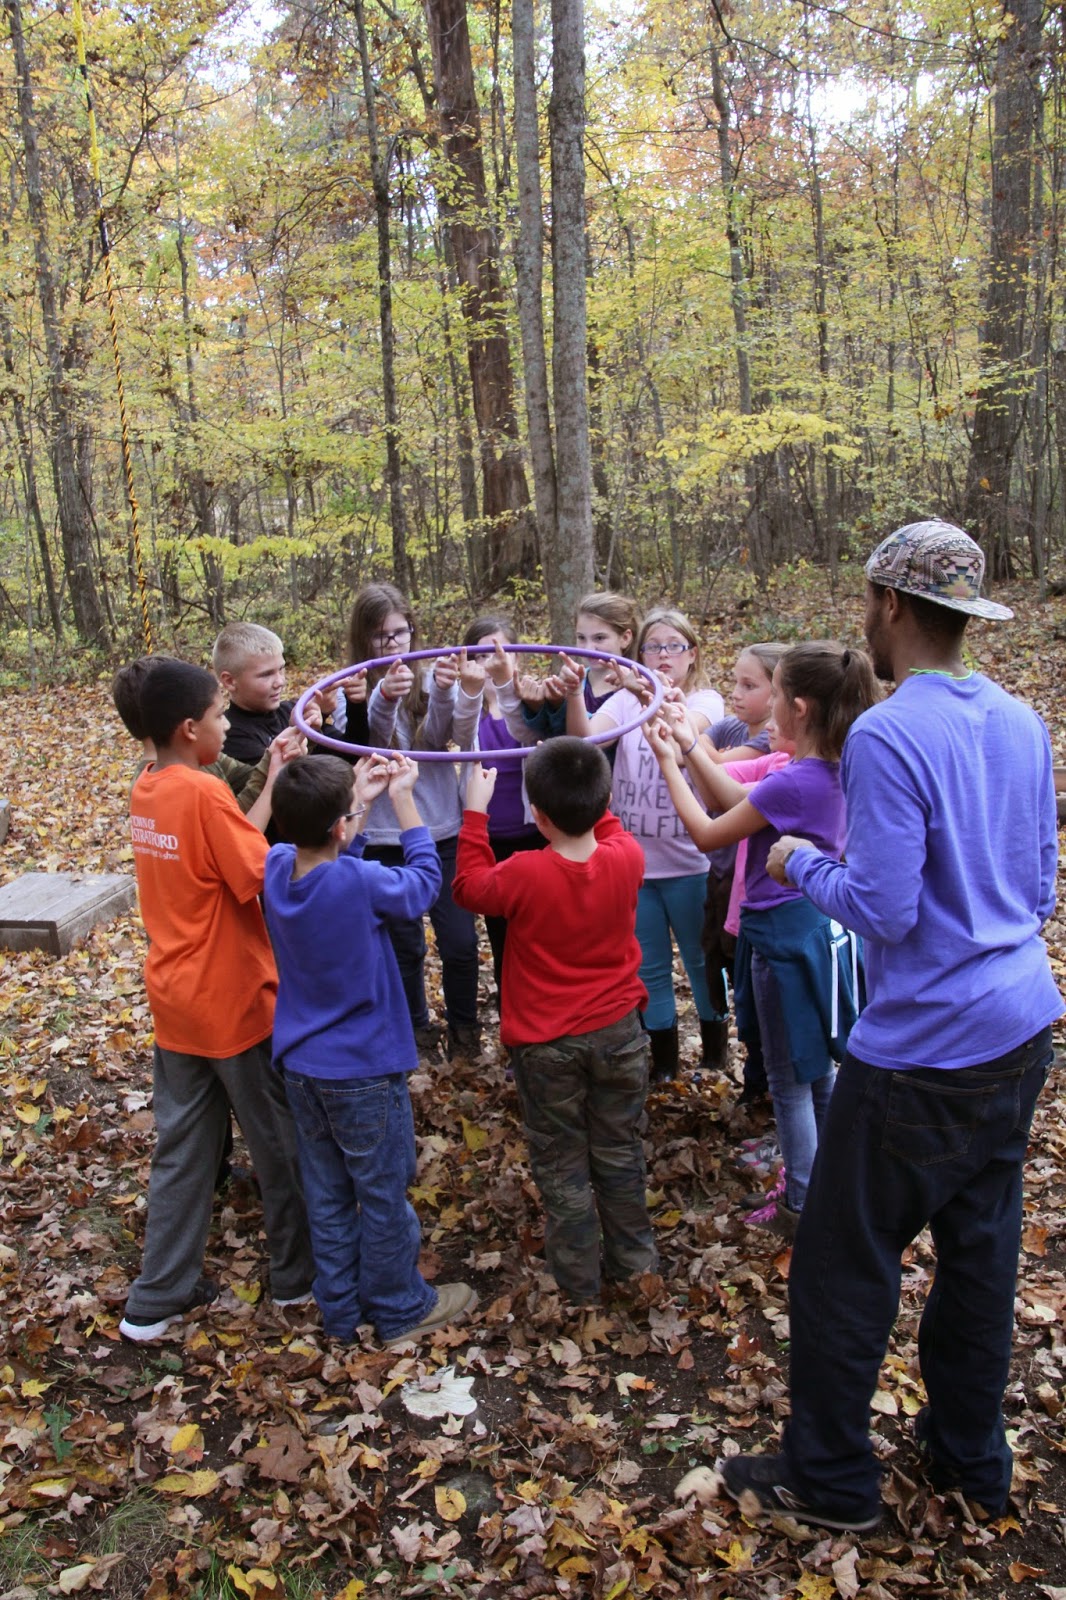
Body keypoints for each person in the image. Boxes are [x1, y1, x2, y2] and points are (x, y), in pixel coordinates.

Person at [719, 520, 1062, 1533]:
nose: (863, 616)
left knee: (841, 1263)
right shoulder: (1020, 720)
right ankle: (969, 1461)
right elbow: (1039, 887)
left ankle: (829, 1480)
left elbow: (883, 904)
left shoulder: (885, 731)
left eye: (870, 598)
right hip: (1020, 1025)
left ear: (895, 608)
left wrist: (791, 862)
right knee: (979, 1250)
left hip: (922, 1049)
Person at [647, 642, 877, 1230]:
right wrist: (691, 746)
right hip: (817, 930)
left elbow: (708, 832)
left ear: (797, 707)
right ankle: (827, 1179)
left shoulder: (794, 779)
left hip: (780, 939)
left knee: (787, 1077)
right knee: (814, 1066)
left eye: (772, 693)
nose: (766, 703)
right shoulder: (837, 768)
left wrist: (669, 761)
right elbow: (740, 800)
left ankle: (801, 1202)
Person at [119, 660, 312, 1342]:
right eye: (220, 717)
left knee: (183, 1150)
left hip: (175, 1001)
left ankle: (157, 1295)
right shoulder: (201, 793)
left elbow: (230, 844)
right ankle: (297, 1279)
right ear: (188, 727)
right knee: (279, 1144)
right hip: (231, 1000)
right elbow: (255, 870)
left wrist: (274, 777)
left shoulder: (150, 788)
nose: (229, 725)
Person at [263, 752, 475, 1346]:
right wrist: (403, 800)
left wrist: (354, 798)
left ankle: (340, 1309)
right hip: (361, 1070)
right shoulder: (357, 882)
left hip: (303, 1069)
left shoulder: (277, 865)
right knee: (381, 1192)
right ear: (340, 825)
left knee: (329, 1192)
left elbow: (329, 859)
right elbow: (424, 887)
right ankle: (399, 1305)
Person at [452, 737, 656, 1303]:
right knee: (618, 1147)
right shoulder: (628, 855)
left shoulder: (523, 873)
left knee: (562, 1160)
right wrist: (575, 763)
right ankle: (635, 1266)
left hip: (548, 1046)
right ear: (605, 798)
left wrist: (475, 812)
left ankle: (579, 1284)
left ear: (536, 816)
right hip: (619, 1034)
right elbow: (604, 822)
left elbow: (468, 887)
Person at [563, 608, 725, 1083]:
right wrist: (576, 693)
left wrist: (639, 687)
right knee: (650, 967)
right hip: (638, 863)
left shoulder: (706, 699)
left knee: (700, 961)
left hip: (691, 862)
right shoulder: (624, 702)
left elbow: (684, 726)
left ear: (692, 654)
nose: (662, 655)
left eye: (674, 646)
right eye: (653, 647)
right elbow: (585, 737)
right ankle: (666, 1063)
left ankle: (716, 1055)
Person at [346, 583, 480, 1060]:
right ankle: (417, 1032)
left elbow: (447, 739)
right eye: (383, 637)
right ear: (363, 640)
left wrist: (447, 690)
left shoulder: (428, 677)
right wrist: (381, 697)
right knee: (405, 948)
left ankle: (466, 1031)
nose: (395, 644)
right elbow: (373, 744)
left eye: (402, 633)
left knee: (461, 942)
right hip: (385, 838)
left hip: (442, 829)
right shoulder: (353, 690)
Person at [698, 643, 784, 1085]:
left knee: (753, 983)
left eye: (749, 685)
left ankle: (762, 1081)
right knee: (719, 961)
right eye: (734, 681)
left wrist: (682, 735)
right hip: (723, 877)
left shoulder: (774, 742)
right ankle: (746, 1069)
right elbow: (705, 744)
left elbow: (715, 775)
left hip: (754, 884)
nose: (735, 692)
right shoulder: (733, 726)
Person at [452, 617, 543, 1001]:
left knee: (539, 937)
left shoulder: (530, 702)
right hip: (489, 841)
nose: (491, 663)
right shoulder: (468, 705)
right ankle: (515, 1033)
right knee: (503, 939)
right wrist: (471, 691)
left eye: (500, 653)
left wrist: (508, 686)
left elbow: (527, 731)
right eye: (482, 655)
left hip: (536, 837)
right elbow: (459, 732)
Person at [112, 654, 302, 832]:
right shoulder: (185, 788)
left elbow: (249, 781)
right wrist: (272, 778)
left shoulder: (202, 759)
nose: (226, 724)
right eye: (218, 715)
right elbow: (236, 830)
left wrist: (283, 750)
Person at [212, 621, 347, 765]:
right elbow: (286, 780)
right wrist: (299, 730)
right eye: (266, 674)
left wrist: (355, 703)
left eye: (281, 669)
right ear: (230, 681)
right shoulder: (230, 735)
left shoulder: (290, 711)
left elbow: (351, 754)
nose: (280, 681)